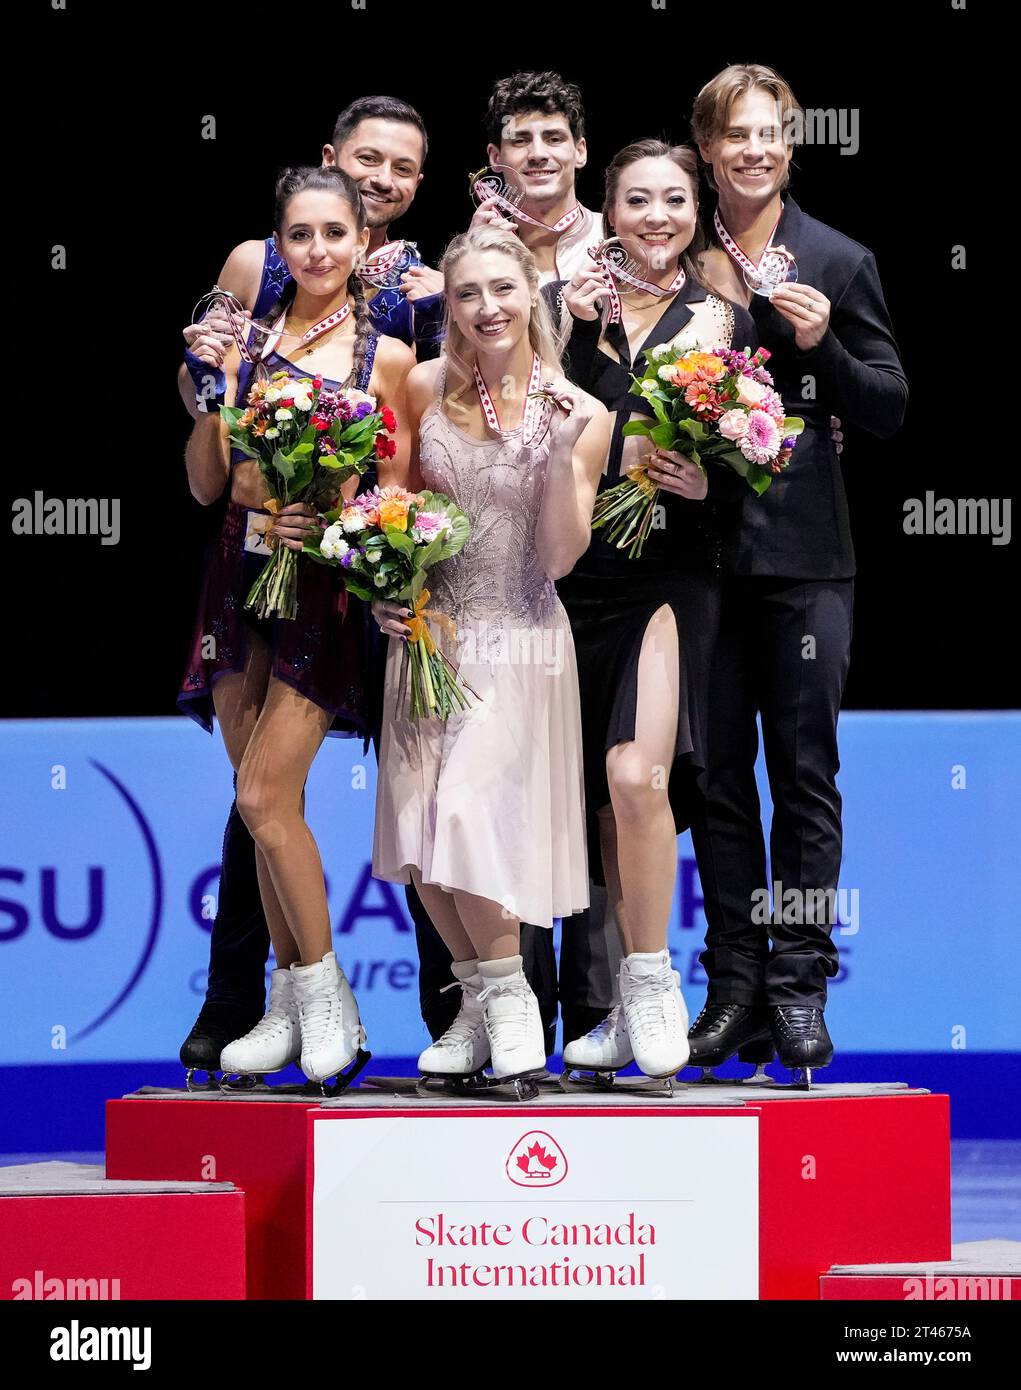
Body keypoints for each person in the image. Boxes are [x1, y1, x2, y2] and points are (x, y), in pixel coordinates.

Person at [177, 98, 445, 1081]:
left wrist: (323, 526)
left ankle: (331, 998)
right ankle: (288, 1005)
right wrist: (209, 397)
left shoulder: (394, 354)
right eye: (305, 232)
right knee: (255, 808)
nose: (324, 245)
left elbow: (395, 503)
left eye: (338, 231)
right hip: (232, 583)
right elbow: (205, 484)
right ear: (279, 241)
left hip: (322, 597)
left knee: (264, 794)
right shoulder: (241, 338)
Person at [687, 64, 907, 1081]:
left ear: (793, 144)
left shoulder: (837, 257)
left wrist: (816, 350)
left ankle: (799, 981)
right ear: (706, 146)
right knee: (715, 778)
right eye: (736, 135)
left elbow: (887, 406)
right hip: (697, 557)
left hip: (808, 559)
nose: (755, 150)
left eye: (772, 134)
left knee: (802, 778)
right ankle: (731, 983)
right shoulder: (674, 254)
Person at [371, 225, 609, 1089]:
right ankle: (476, 1002)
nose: (486, 308)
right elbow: (390, 503)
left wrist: (551, 455)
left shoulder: (582, 413)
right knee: (420, 832)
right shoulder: (421, 384)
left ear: (532, 295)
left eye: (502, 290)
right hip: (431, 633)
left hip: (519, 638)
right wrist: (383, 584)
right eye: (467, 293)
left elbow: (556, 557)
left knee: (469, 817)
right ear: (450, 303)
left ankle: (512, 1002)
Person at [551, 140, 756, 1080]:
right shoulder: (562, 310)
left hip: (672, 576)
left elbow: (755, 450)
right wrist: (561, 332)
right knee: (595, 798)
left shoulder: (720, 318)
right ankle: (611, 1012)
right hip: (565, 577)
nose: (657, 216)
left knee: (639, 779)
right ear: (610, 209)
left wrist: (703, 479)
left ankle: (651, 984)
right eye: (637, 200)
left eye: (674, 199)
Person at [469, 71, 602, 288]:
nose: (537, 154)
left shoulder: (622, 243)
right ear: (495, 157)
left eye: (554, 139)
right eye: (520, 141)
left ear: (580, 152)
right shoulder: (474, 255)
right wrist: (472, 259)